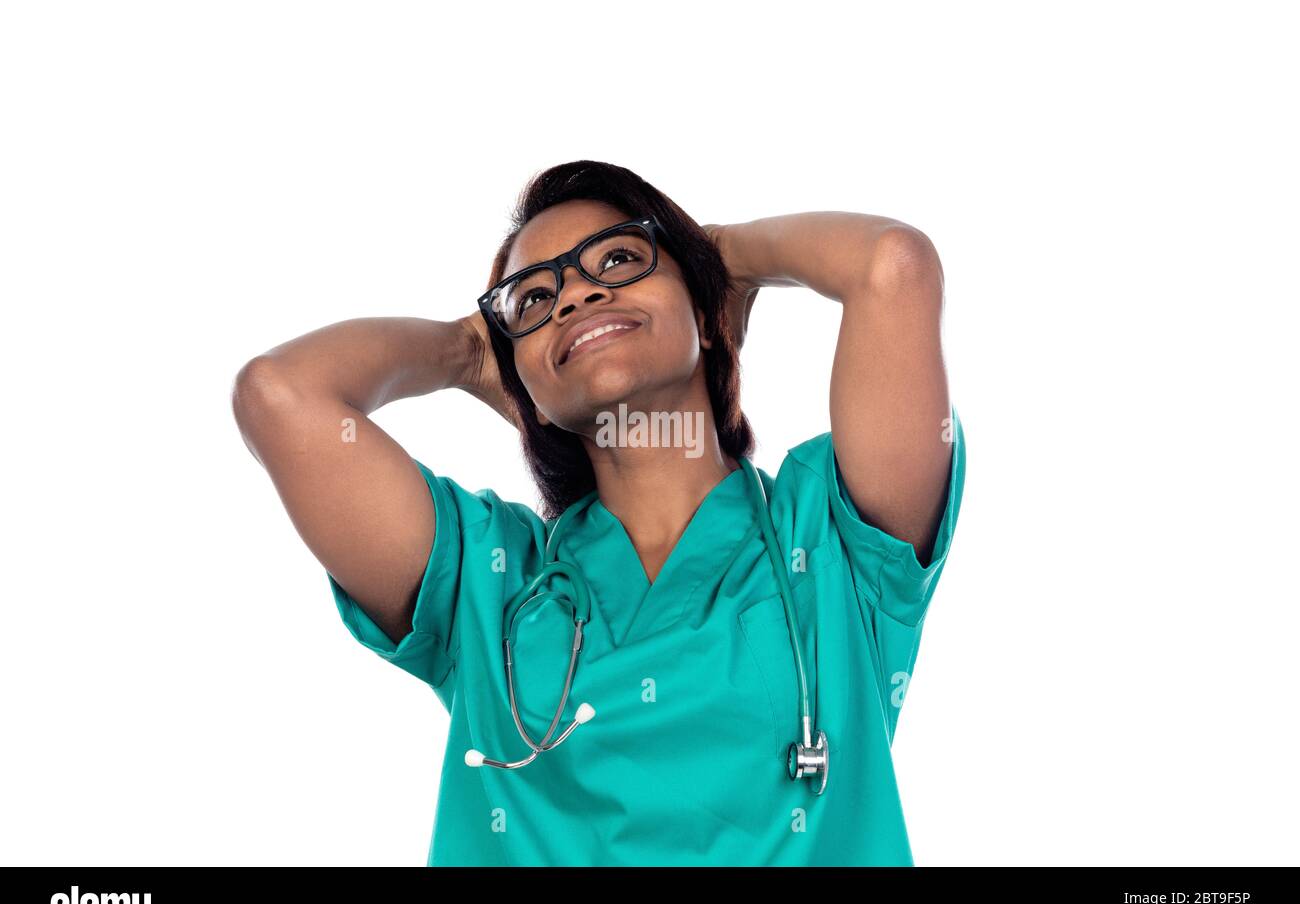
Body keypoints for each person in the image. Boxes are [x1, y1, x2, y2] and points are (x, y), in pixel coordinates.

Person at [231, 159, 966, 866]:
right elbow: (281, 395)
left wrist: (721, 256)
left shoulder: (832, 539)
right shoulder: (486, 583)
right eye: (534, 302)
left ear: (708, 316)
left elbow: (893, 268)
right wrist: (462, 351)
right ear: (521, 379)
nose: (576, 297)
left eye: (619, 262)